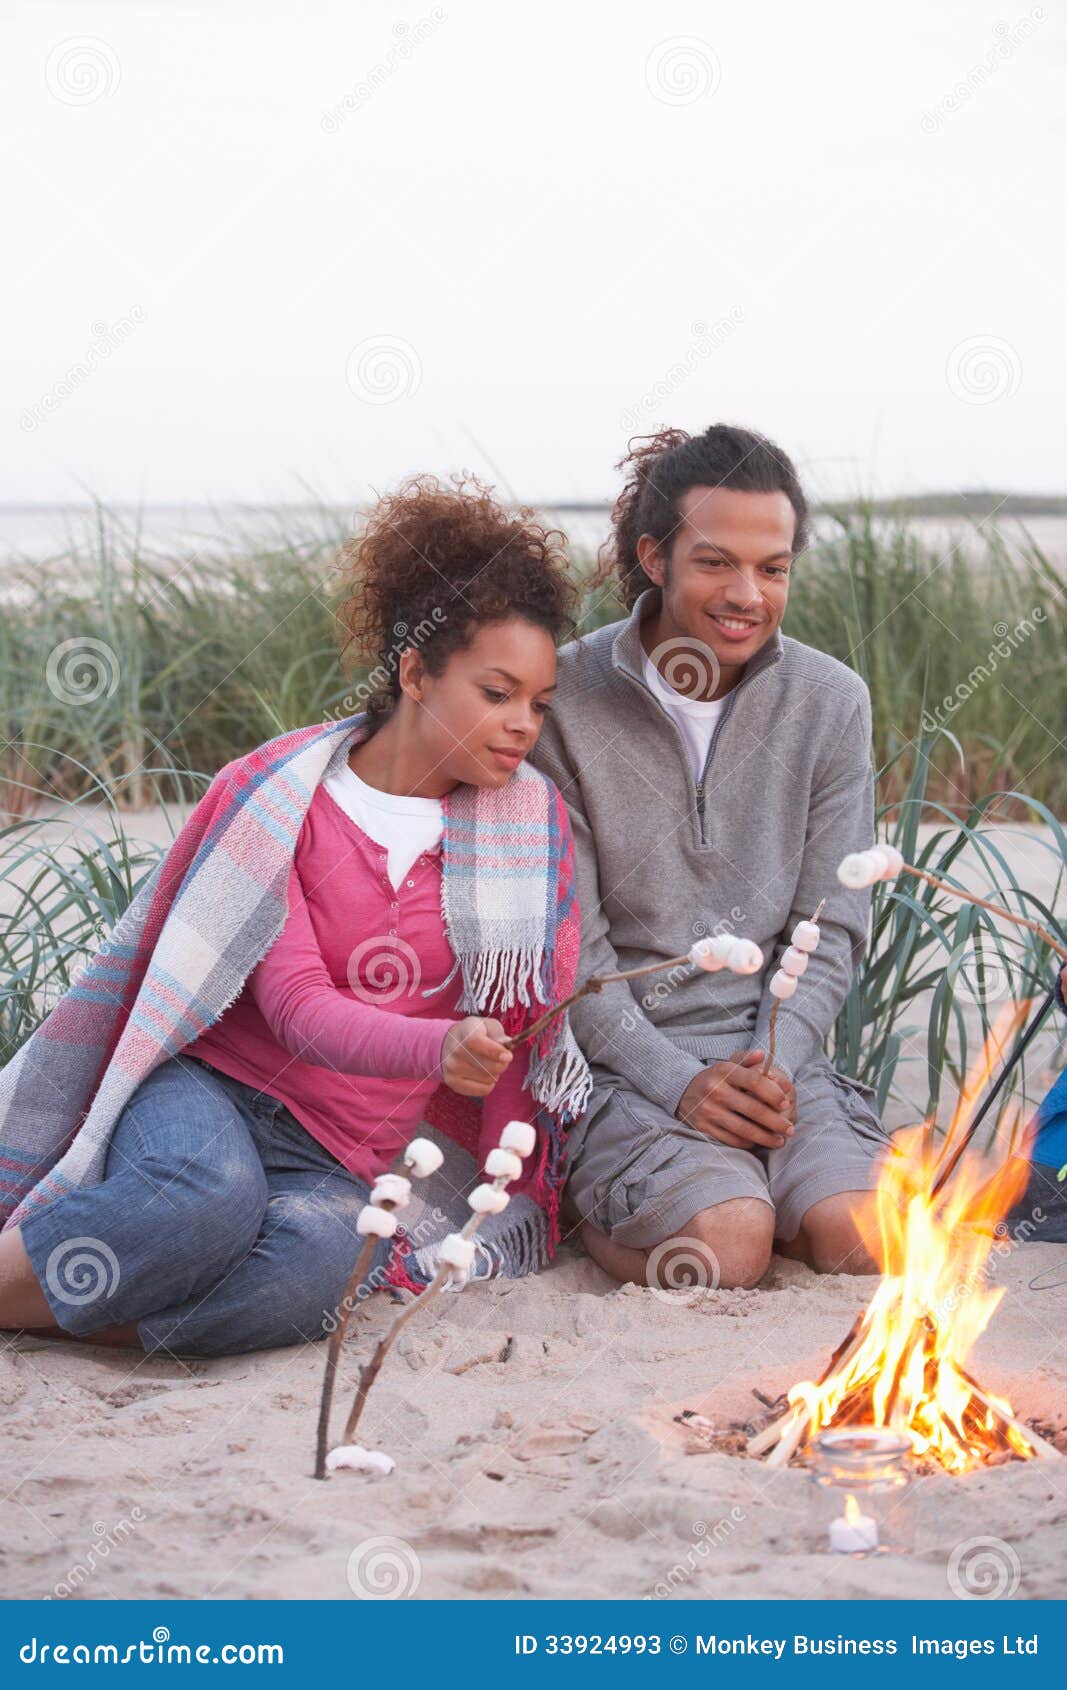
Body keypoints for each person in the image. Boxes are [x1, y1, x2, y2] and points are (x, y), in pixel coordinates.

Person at [0, 475, 590, 1356]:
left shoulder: (527, 828)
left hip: (342, 1157)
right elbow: (298, 1008)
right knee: (205, 1200)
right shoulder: (279, 798)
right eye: (497, 693)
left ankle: (88, 1303)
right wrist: (436, 1045)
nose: (521, 727)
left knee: (315, 1275)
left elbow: (543, 1006)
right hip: (212, 1094)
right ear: (417, 671)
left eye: (538, 705)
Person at [529, 424, 893, 1291]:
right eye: (715, 563)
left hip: (778, 1053)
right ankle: (606, 1193)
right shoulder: (564, 698)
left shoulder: (831, 701)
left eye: (772, 568)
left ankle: (775, 1180)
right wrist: (682, 1084)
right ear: (654, 556)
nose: (746, 595)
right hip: (629, 1058)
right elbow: (570, 949)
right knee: (728, 1247)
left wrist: (776, 1058)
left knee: (865, 1239)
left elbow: (832, 923)